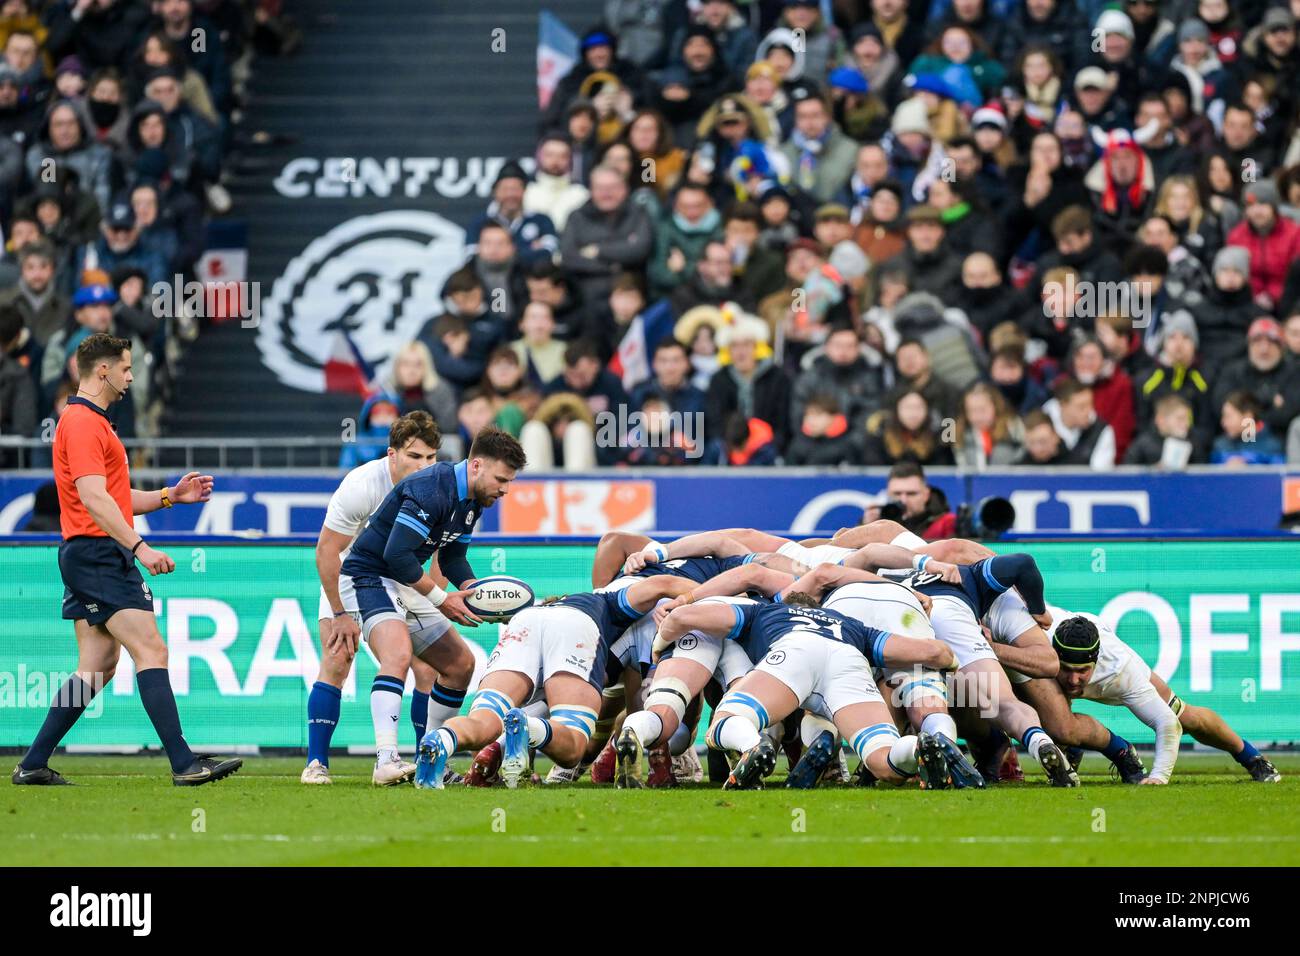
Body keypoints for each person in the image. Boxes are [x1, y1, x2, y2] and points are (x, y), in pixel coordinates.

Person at [14, 332, 238, 787]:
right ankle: (183, 763)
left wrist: (168, 497)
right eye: (127, 368)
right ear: (103, 370)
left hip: (88, 552)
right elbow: (95, 499)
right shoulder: (80, 423)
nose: (131, 378)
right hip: (98, 553)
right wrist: (140, 547)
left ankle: (32, 764)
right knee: (151, 649)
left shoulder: (91, 422)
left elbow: (112, 496)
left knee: (97, 666)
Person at [338, 428, 526, 772]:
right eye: (501, 479)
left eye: (509, 481)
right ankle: (386, 760)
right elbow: (395, 555)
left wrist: (479, 595)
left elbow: (453, 558)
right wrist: (442, 599)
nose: (505, 489)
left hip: (404, 580)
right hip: (368, 575)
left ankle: (433, 758)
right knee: (397, 654)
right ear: (476, 466)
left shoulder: (472, 501)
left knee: (460, 665)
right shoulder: (432, 488)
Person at [304, 412, 455, 786]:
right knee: (338, 658)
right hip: (354, 574)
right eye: (414, 456)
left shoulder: (443, 489)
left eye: (431, 457)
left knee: (428, 670)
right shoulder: (361, 485)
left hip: (405, 577)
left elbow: (442, 554)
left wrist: (436, 601)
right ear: (391, 454)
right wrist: (339, 613)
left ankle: (427, 763)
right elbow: (327, 551)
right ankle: (316, 764)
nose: (424, 465)